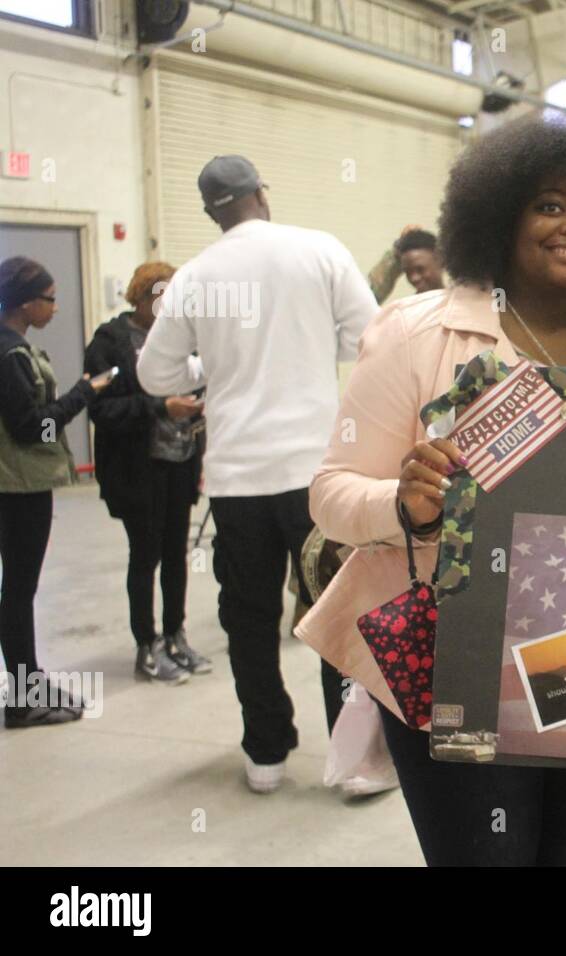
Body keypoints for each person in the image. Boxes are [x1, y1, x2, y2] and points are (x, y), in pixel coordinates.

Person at [301, 114, 566, 865]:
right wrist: (403, 505)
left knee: (558, 852)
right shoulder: (420, 332)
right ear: (499, 214)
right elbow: (330, 492)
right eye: (552, 205)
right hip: (455, 659)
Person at [136, 155, 377, 793]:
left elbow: (154, 376)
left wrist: (209, 366)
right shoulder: (319, 250)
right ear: (261, 196)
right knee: (337, 614)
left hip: (237, 480)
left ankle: (265, 755)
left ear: (212, 211)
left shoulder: (194, 276)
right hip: (317, 478)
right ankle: (352, 763)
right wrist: (310, 348)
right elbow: (370, 338)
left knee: (247, 617)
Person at [0, 256, 113, 727]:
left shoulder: (13, 349)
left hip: (15, 483)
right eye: (49, 299)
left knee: (18, 590)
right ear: (25, 303)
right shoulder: (11, 355)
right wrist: (83, 393)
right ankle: (23, 698)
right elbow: (33, 430)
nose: (55, 308)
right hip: (20, 486)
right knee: (19, 590)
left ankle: (28, 680)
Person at [83, 262, 207, 685]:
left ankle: (175, 634)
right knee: (146, 556)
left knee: (177, 555)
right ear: (140, 294)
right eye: (163, 295)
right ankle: (146, 644)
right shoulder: (110, 343)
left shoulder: (182, 338)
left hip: (181, 462)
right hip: (138, 470)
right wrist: (159, 408)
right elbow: (100, 408)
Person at [368, 224, 444, 303]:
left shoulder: (456, 302)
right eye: (408, 272)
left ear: (440, 260)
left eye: (420, 269)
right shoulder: (402, 311)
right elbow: (367, 300)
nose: (414, 278)